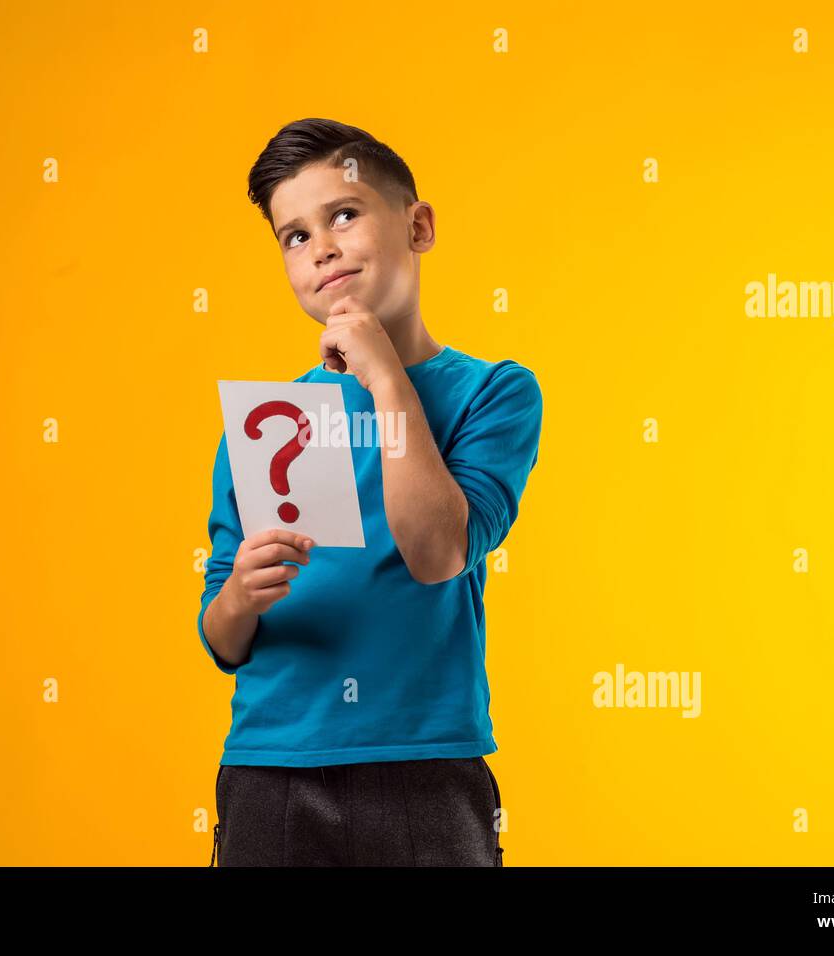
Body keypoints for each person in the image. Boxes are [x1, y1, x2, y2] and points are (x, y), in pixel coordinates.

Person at [198, 118, 542, 866]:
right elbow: (223, 636)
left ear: (418, 226)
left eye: (344, 215)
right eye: (293, 236)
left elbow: (436, 552)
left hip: (423, 764)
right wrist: (239, 600)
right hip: (271, 766)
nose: (320, 247)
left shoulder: (494, 393)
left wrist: (384, 375)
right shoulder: (264, 426)